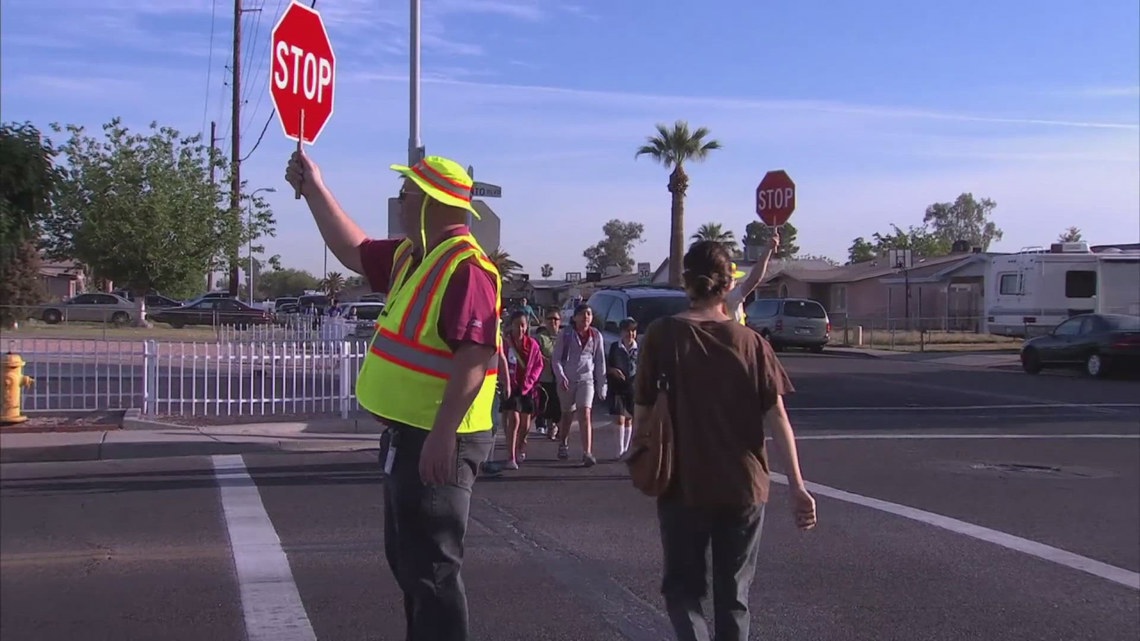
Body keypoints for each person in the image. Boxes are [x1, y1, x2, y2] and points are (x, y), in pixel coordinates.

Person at [285, 151, 500, 641]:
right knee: (410, 564)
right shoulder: (412, 257)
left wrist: (443, 435)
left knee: (433, 572)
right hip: (409, 436)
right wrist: (315, 188)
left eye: (407, 194)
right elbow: (353, 248)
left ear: (434, 203)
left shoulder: (466, 270)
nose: (400, 202)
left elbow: (476, 354)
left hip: (440, 439)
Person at [635, 239, 817, 641]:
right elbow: (778, 417)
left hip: (683, 482)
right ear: (727, 283)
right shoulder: (752, 344)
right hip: (744, 485)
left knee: (683, 590)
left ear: (686, 281)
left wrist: (640, 451)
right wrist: (798, 487)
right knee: (734, 595)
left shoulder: (661, 336)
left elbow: (644, 411)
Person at [551, 303, 607, 466]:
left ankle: (587, 452)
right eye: (582, 314)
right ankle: (563, 442)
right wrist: (561, 377)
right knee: (567, 414)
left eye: (589, 314)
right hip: (567, 379)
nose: (586, 317)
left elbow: (600, 361)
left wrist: (602, 385)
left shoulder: (596, 335)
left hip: (586, 379)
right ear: (574, 318)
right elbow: (556, 359)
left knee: (585, 413)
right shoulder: (566, 334)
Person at [501, 310, 543, 469]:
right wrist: (504, 381)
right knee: (514, 419)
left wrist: (530, 381)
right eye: (516, 325)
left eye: (523, 325)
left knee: (525, 424)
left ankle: (520, 445)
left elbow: (539, 365)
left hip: (527, 388)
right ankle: (510, 456)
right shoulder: (505, 344)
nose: (520, 329)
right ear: (510, 326)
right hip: (511, 386)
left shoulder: (532, 345)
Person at [726, 230, 781, 324]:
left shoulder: (711, 298)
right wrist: (768, 249)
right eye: (730, 279)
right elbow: (755, 279)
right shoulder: (730, 297)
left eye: (734, 279)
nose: (733, 282)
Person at [606, 317, 638, 457]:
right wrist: (613, 370)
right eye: (627, 331)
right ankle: (619, 450)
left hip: (632, 386)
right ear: (621, 332)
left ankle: (625, 449)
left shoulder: (639, 348)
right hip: (617, 386)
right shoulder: (615, 347)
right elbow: (606, 366)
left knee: (629, 418)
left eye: (633, 331)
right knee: (619, 417)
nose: (630, 334)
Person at [533, 311, 563, 438]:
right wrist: (544, 359)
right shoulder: (540, 337)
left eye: (556, 319)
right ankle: (546, 425)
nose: (553, 321)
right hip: (545, 376)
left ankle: (556, 426)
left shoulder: (564, 336)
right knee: (545, 403)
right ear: (545, 321)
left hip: (561, 376)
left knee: (559, 403)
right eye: (550, 319)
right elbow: (535, 352)